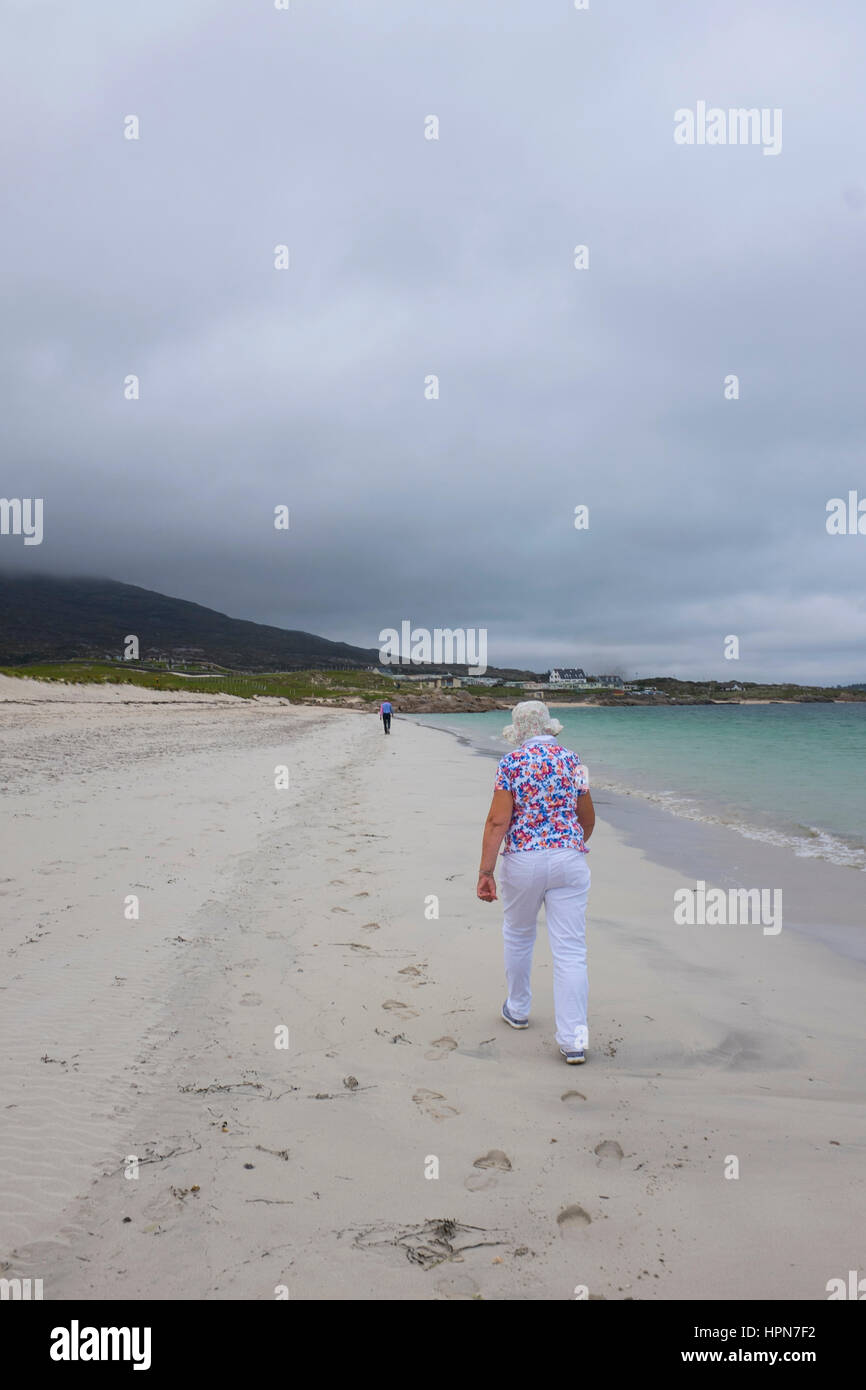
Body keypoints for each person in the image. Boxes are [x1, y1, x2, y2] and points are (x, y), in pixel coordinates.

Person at [477, 700, 595, 1064]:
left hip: (523, 861)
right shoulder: (573, 760)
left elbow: (498, 822)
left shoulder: (510, 763)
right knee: (571, 951)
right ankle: (574, 1039)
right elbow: (587, 818)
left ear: (519, 732)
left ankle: (518, 1009)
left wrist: (485, 872)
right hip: (569, 859)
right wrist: (567, 848)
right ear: (548, 728)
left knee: (518, 934)